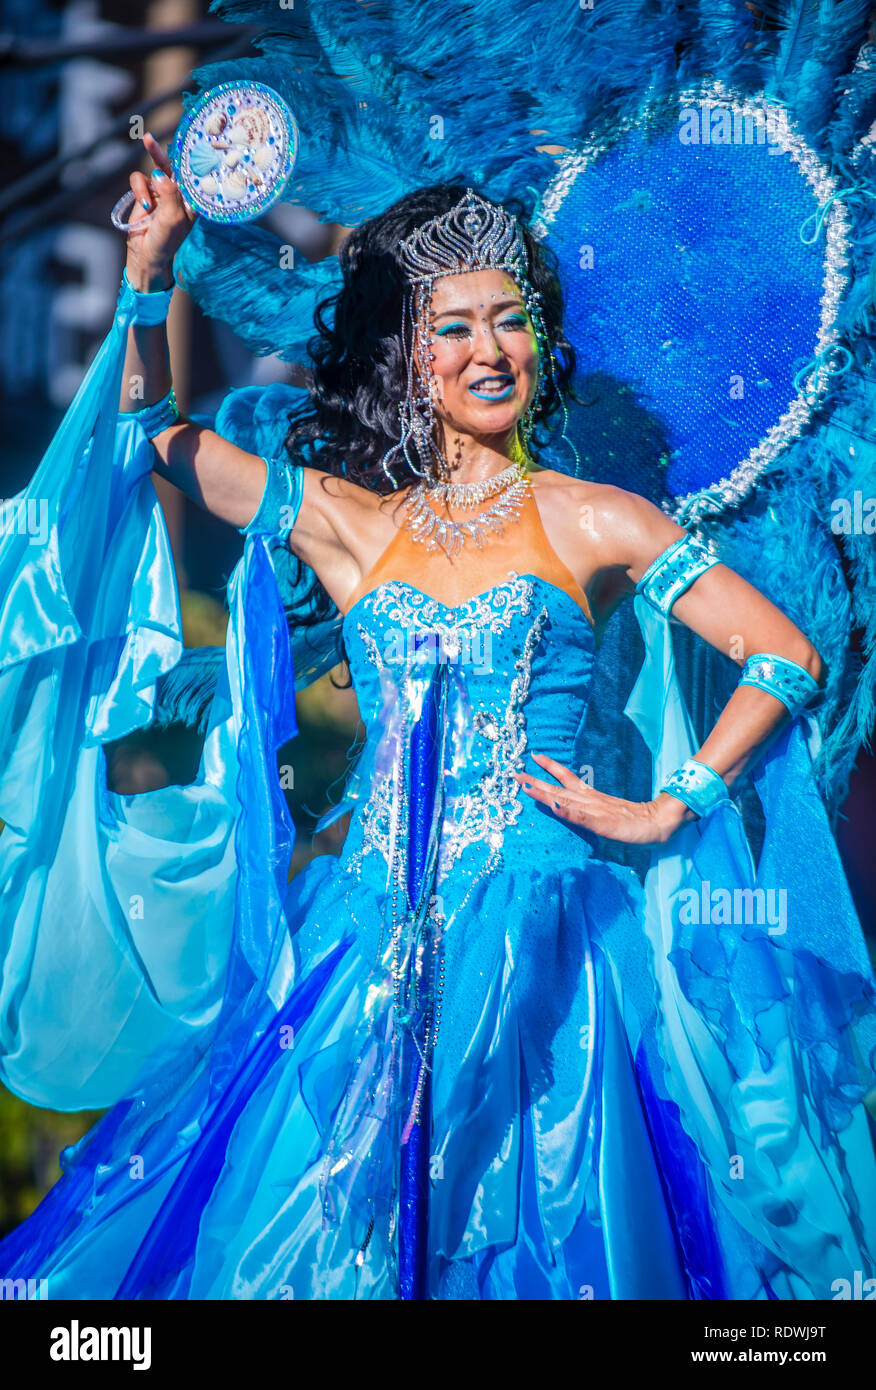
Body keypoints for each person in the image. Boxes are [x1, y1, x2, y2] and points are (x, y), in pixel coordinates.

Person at [0, 136, 874, 1301]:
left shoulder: (597, 519)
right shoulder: (355, 523)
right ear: (413, 359)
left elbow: (786, 653)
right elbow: (151, 434)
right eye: (455, 327)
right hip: (367, 938)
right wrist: (151, 274)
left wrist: (674, 804)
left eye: (510, 321)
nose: (488, 349)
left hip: (555, 942)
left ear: (540, 345)